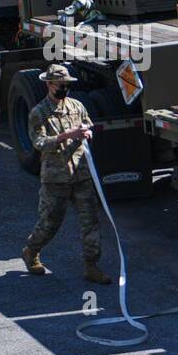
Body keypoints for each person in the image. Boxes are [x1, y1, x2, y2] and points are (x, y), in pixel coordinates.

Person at [19, 64, 113, 285]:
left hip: (81, 176)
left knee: (90, 222)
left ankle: (91, 266)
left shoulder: (76, 106)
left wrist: (87, 132)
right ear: (48, 85)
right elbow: (39, 143)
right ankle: (31, 250)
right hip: (56, 179)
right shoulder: (38, 113)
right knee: (50, 223)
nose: (63, 89)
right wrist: (65, 136)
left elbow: (87, 123)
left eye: (66, 85)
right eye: (59, 85)